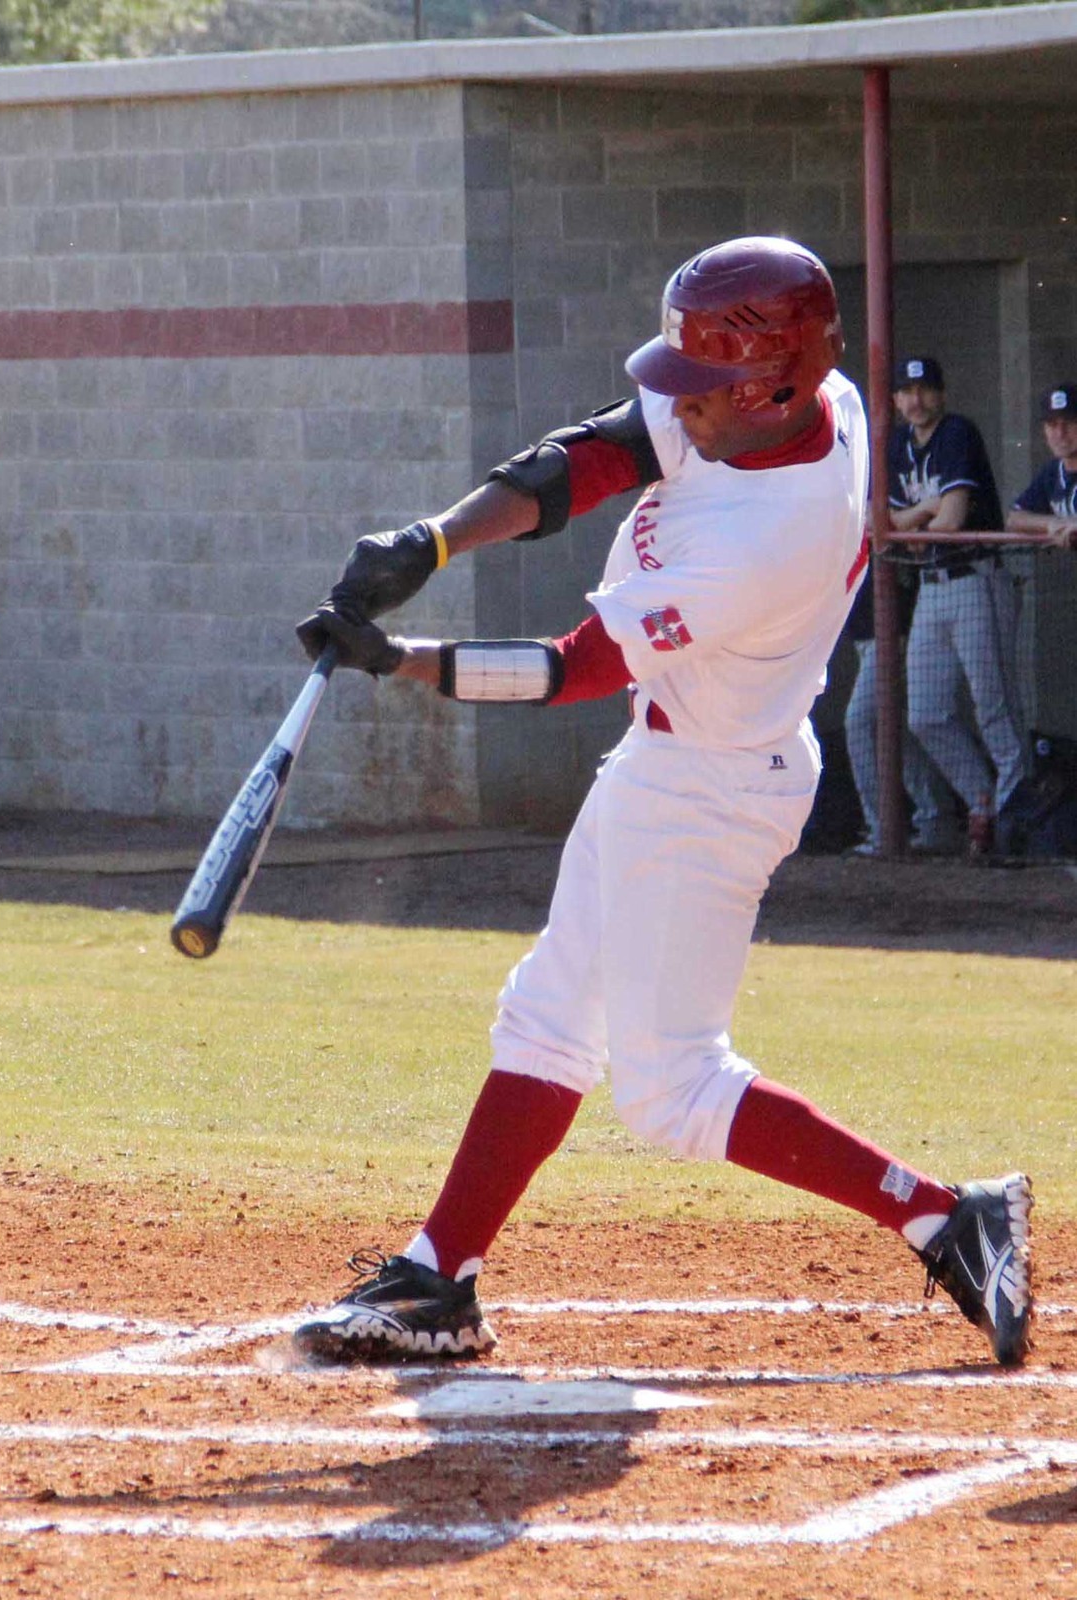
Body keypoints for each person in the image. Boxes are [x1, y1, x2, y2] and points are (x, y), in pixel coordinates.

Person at [292, 237, 1033, 1370]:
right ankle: (440, 1276)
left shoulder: (766, 541)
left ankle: (946, 1216)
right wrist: (432, 538)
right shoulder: (807, 395)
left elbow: (571, 667)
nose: (679, 407)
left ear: (768, 382)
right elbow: (597, 452)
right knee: (544, 1018)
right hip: (672, 766)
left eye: (704, 386)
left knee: (671, 1085)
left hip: (712, 789)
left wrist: (400, 660)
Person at [889, 357, 1025, 857]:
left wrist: (917, 519)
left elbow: (951, 521)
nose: (916, 399)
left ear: (941, 395)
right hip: (931, 586)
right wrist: (924, 514)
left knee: (995, 712)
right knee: (924, 714)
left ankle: (1014, 826)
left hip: (974, 578)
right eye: (906, 391)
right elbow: (879, 519)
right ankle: (983, 801)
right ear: (896, 400)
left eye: (925, 389)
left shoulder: (957, 432)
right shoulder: (896, 443)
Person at [841, 554, 957, 855]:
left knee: (859, 722)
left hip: (893, 633)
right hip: (865, 637)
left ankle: (881, 828)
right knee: (892, 728)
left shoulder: (872, 510)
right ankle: (936, 819)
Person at [1005, 382, 1077, 548]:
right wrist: (1054, 522)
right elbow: (1015, 519)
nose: (1060, 433)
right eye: (1052, 424)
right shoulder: (1053, 471)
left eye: (1070, 422)